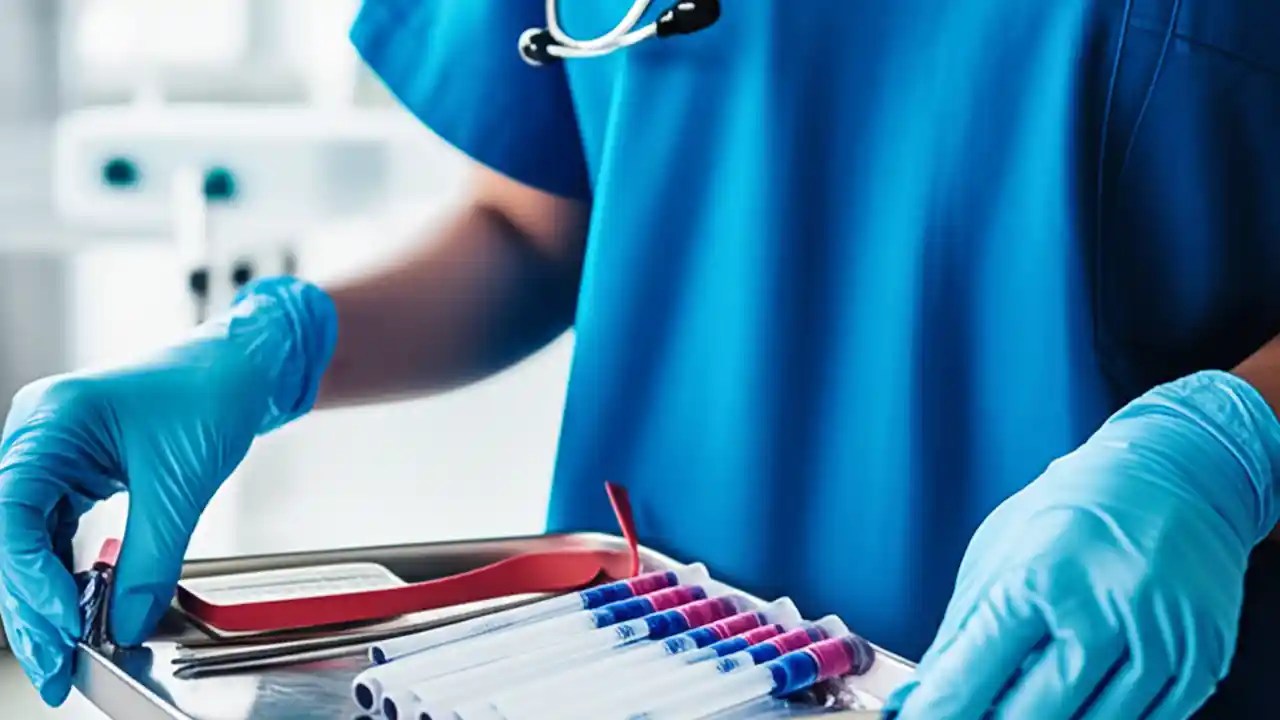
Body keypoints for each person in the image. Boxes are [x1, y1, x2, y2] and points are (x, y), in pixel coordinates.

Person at [4, 1, 1280, 716]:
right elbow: (529, 220)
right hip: (620, 663)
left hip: (1113, 676)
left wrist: (1224, 450)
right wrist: (261, 352)